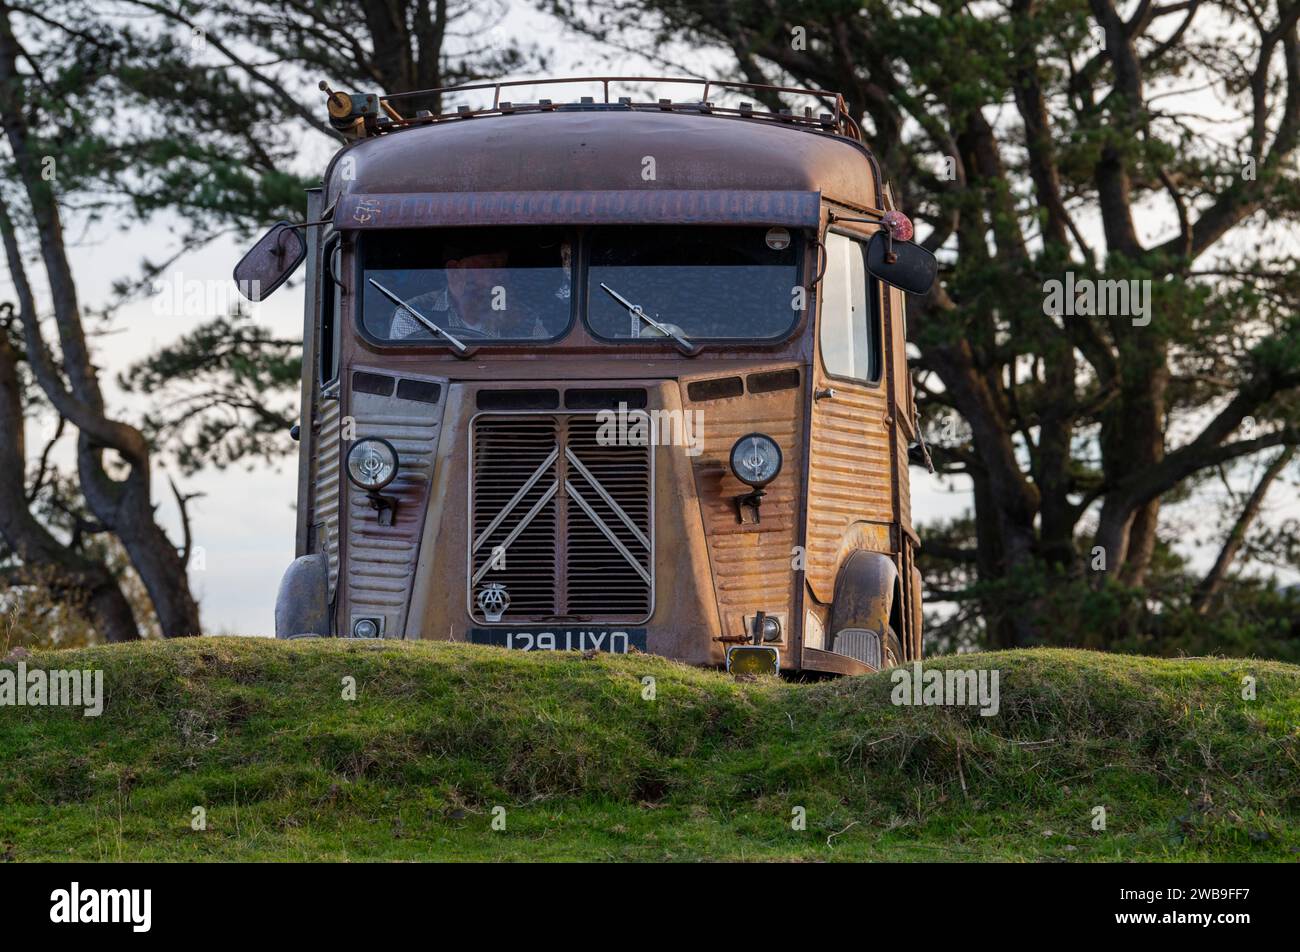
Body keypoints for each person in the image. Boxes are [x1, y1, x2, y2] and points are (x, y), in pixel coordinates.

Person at [387, 242, 568, 341]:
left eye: (503, 267)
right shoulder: (413, 314)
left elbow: (541, 358)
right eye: (491, 266)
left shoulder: (519, 313)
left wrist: (516, 327)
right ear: (455, 271)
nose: (501, 276)